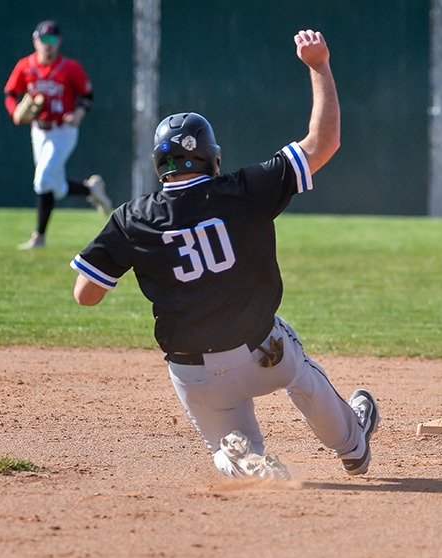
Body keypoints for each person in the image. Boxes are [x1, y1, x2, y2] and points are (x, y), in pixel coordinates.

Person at [68, 30, 379, 479]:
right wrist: (319, 66)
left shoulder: (133, 218)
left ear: (160, 166)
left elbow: (86, 295)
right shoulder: (245, 190)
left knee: (233, 442)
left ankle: (243, 462)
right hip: (263, 353)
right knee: (303, 375)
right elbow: (323, 141)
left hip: (192, 371)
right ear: (212, 158)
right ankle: (352, 444)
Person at [4, 20, 113, 250]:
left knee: (43, 179)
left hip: (63, 131)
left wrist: (78, 115)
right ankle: (91, 189)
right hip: (39, 131)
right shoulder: (25, 66)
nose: (48, 45)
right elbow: (10, 93)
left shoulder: (70, 67)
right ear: (35, 41)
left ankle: (39, 237)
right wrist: (15, 113)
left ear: (59, 42)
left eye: (52, 40)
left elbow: (87, 94)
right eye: (44, 40)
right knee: (57, 187)